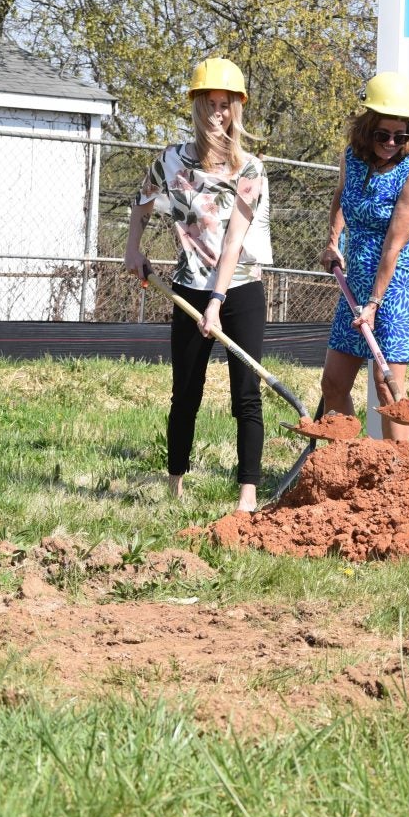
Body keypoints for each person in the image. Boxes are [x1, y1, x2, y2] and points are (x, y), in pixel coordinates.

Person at [124, 57, 272, 512]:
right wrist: (133, 248)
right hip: (187, 287)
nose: (216, 113)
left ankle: (247, 491)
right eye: (208, 103)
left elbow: (232, 244)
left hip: (240, 289)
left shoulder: (250, 171)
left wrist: (217, 300)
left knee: (245, 392)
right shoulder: (172, 161)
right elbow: (141, 203)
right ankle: (175, 485)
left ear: (237, 108)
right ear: (195, 105)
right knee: (185, 391)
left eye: (225, 104)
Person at [319, 72, 409, 442]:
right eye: (383, 135)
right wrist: (333, 241)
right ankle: (352, 462)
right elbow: (341, 197)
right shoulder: (351, 158)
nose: (391, 143)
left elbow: (393, 246)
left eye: (402, 136)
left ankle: (397, 476)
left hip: (395, 286)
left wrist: (374, 302)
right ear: (367, 130)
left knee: (387, 389)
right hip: (356, 282)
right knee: (333, 382)